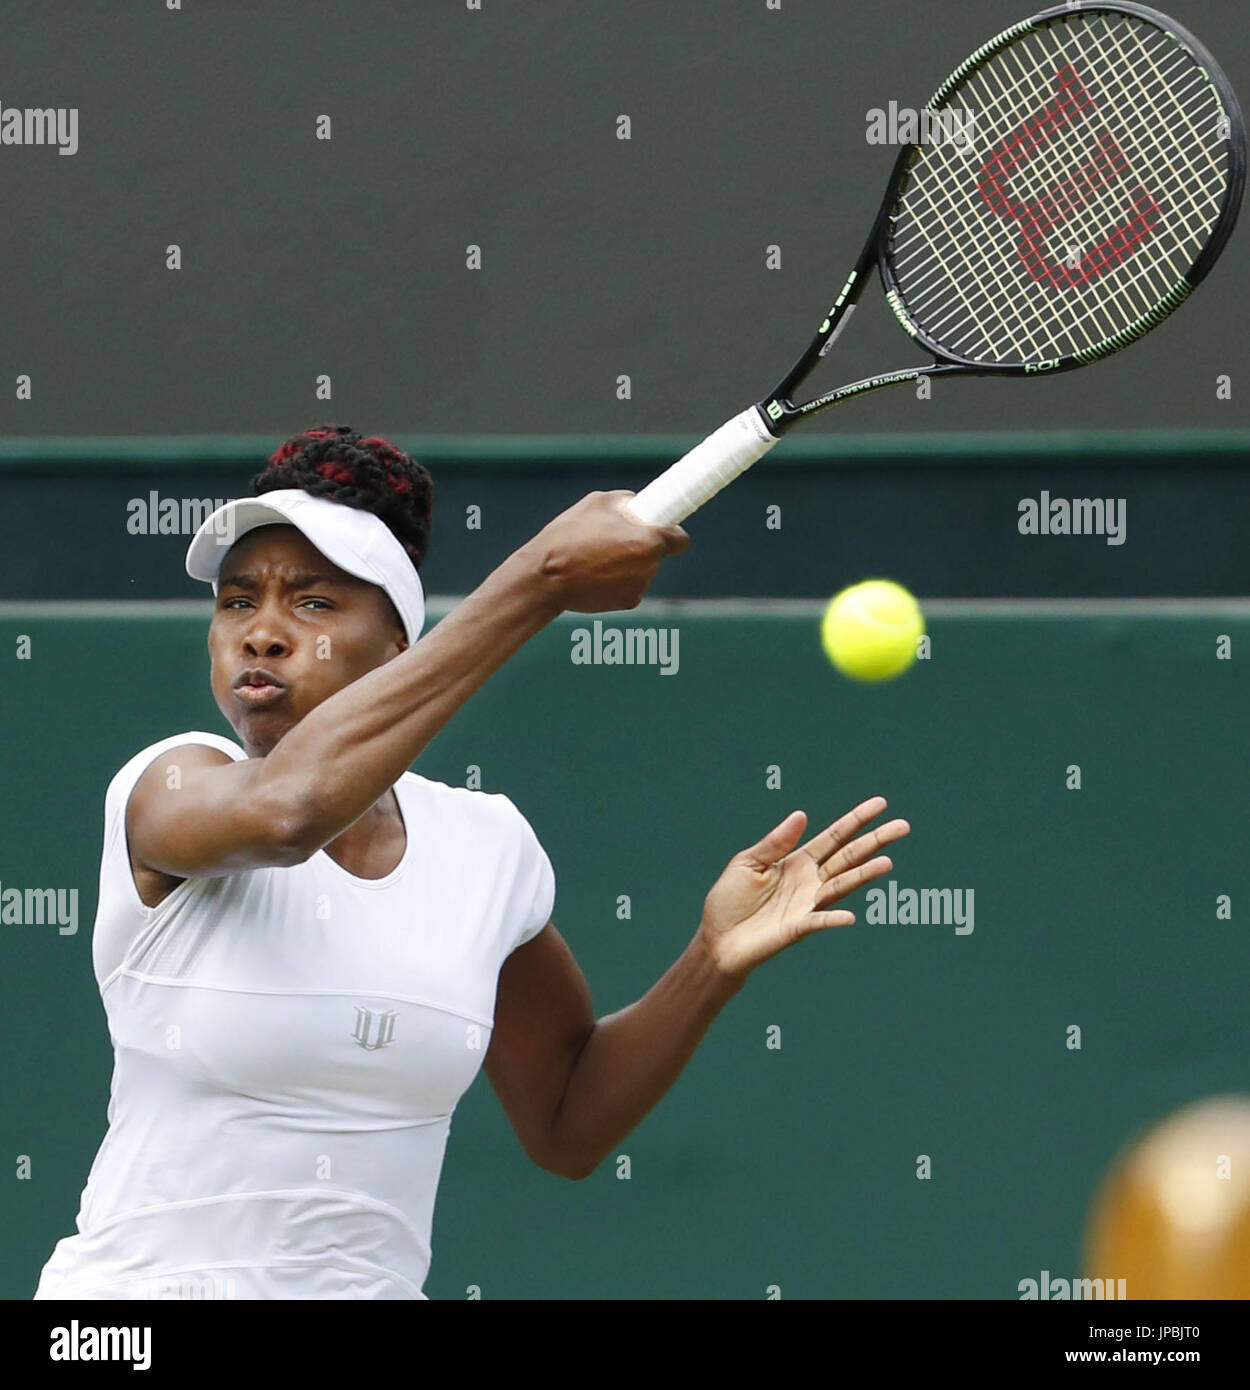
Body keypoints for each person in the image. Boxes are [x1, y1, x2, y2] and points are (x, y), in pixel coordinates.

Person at [34, 424, 909, 1300]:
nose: (261, 634)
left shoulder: (485, 847)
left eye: (314, 603)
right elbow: (286, 812)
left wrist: (708, 965)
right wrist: (539, 581)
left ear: (399, 647)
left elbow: (567, 1121)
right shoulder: (169, 785)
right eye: (236, 601)